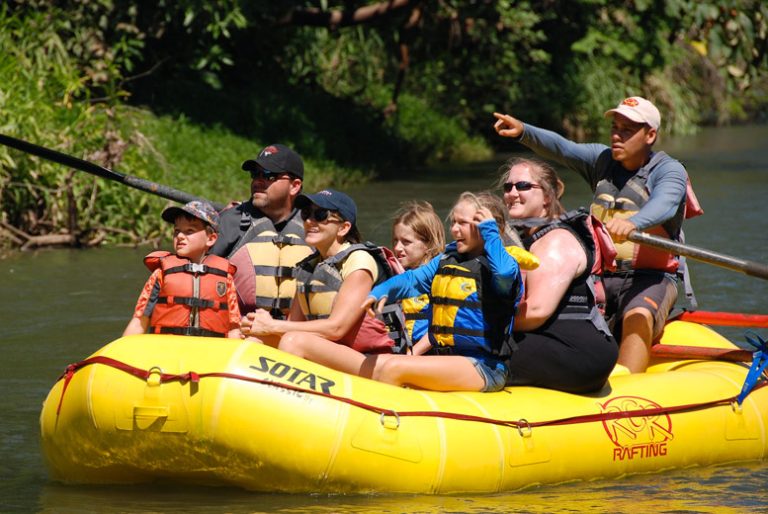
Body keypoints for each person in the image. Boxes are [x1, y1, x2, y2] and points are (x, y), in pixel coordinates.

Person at [493, 96, 702, 373]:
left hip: (652, 278)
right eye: (615, 127)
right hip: (600, 277)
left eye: (627, 130)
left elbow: (665, 203)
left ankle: (628, 387)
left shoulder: (668, 170)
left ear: (650, 134)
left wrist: (635, 222)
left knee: (637, 315)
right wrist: (524, 131)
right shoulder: (602, 160)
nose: (617, 135)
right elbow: (562, 148)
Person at [501, 157, 618, 392]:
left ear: (547, 196)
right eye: (508, 187)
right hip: (551, 341)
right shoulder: (528, 239)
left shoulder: (555, 241)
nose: (512, 193)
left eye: (523, 186)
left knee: (475, 349)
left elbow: (535, 312)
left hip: (578, 353)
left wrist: (477, 324)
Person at [240, 189, 396, 353]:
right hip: (328, 352)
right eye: (306, 213)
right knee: (252, 341)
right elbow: (293, 325)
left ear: (343, 228)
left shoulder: (359, 261)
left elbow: (337, 329)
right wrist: (256, 326)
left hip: (366, 359)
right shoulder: (309, 267)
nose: (309, 221)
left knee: (294, 341)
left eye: (320, 215)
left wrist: (272, 325)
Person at [210, 143, 313, 319]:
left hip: (296, 334)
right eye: (255, 174)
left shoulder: (315, 225)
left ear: (294, 186)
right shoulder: (231, 220)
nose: (258, 181)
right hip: (240, 330)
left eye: (269, 176)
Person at [123, 200, 242, 339]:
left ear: (211, 238)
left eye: (189, 231)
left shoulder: (224, 277)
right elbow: (139, 321)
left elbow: (234, 328)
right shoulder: (161, 273)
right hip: (167, 350)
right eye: (177, 231)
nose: (179, 236)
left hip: (210, 352)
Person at [391, 201, 445, 348]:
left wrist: (412, 354)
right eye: (395, 240)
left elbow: (441, 327)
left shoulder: (438, 279)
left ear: (428, 244)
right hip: (401, 349)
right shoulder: (395, 273)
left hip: (427, 353)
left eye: (406, 242)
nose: (397, 248)